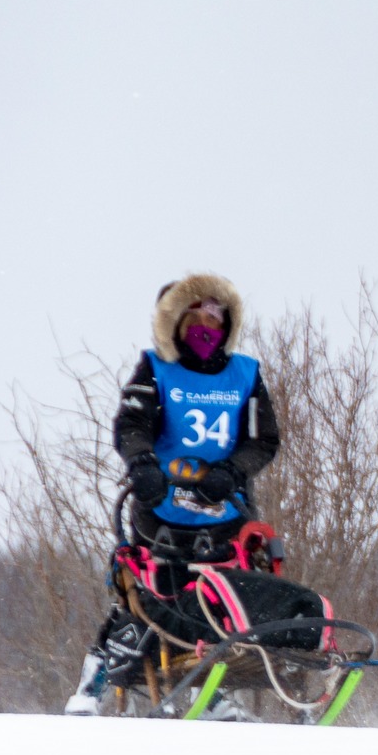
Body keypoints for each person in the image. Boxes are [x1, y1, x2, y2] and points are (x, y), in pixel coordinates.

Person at [65, 274, 280, 714]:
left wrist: (235, 469)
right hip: (160, 509)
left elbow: (263, 439)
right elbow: (131, 425)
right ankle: (99, 672)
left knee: (223, 597)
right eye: (198, 314)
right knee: (150, 594)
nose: (208, 323)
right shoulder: (155, 368)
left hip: (225, 512)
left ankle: (210, 684)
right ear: (177, 321)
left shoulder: (246, 374)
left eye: (217, 315)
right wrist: (142, 463)